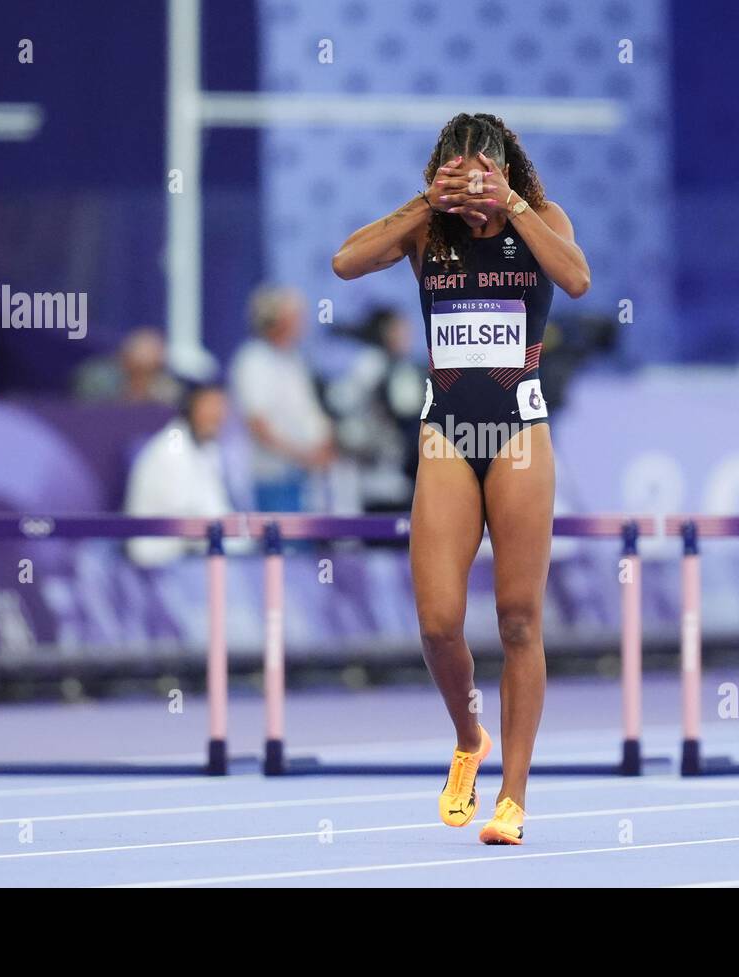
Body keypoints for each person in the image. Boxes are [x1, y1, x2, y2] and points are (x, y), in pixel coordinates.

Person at [332, 112, 590, 844]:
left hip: (518, 430)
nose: (474, 181)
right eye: (460, 170)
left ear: (507, 169)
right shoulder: (427, 229)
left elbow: (575, 277)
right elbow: (345, 264)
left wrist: (510, 205)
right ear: (441, 171)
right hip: (447, 433)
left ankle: (513, 793)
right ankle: (469, 736)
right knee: (439, 621)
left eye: (487, 168)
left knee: (517, 617)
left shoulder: (540, 214)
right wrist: (427, 205)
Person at [228, 286, 335, 512]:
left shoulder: (294, 360)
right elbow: (258, 425)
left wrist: (322, 445)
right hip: (271, 479)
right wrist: (303, 455)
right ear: (277, 320)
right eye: (296, 317)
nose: (302, 324)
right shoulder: (253, 360)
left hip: (303, 477)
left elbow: (309, 413)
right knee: (280, 544)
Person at [325, 306, 426, 513]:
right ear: (386, 331)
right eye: (401, 329)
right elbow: (339, 402)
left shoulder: (400, 366)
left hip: (397, 473)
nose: (407, 335)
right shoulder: (371, 363)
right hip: (372, 475)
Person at [124, 383, 235, 567]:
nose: (218, 414)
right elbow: (182, 508)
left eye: (221, 406)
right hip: (159, 552)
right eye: (210, 405)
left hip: (191, 548)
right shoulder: (174, 440)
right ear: (191, 406)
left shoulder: (207, 447)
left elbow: (215, 506)